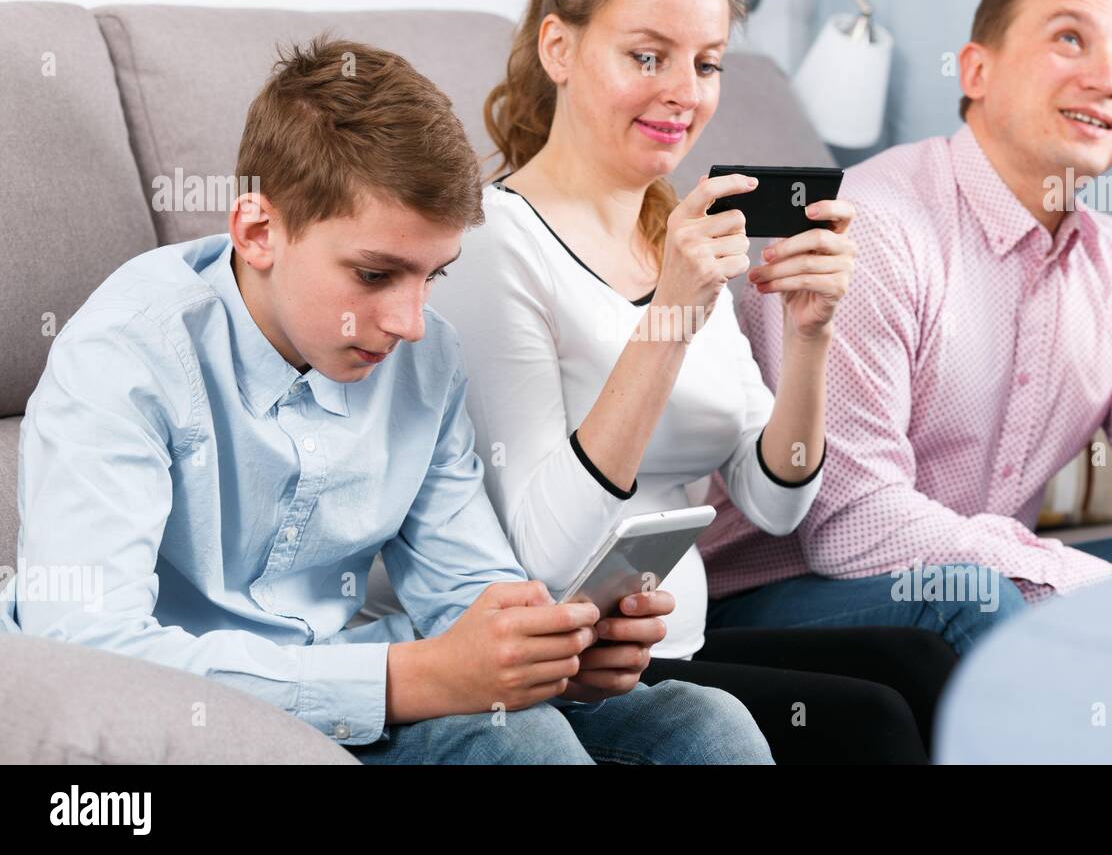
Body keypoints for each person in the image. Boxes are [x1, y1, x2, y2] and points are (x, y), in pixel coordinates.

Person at [13, 37, 772, 765]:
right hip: (192, 711)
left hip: (355, 675)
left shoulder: (425, 355)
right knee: (517, 744)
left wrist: (545, 649)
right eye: (374, 275)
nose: (409, 324)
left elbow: (465, 586)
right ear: (257, 230)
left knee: (704, 723)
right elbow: (86, 648)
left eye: (432, 275)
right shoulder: (128, 354)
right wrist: (413, 678)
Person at [431, 0, 960, 764]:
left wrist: (811, 337)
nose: (686, 90)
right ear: (558, 50)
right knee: (874, 720)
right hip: (583, 668)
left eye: (707, 63)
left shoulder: (675, 231)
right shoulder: (495, 243)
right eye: (648, 56)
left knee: (925, 664)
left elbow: (775, 498)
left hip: (680, 641)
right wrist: (671, 317)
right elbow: (545, 553)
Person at [702, 0, 1112, 645]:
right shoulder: (873, 226)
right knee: (977, 599)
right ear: (976, 72)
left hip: (980, 580)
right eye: (1070, 39)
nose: (1107, 79)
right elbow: (851, 526)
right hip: (773, 593)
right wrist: (1090, 587)